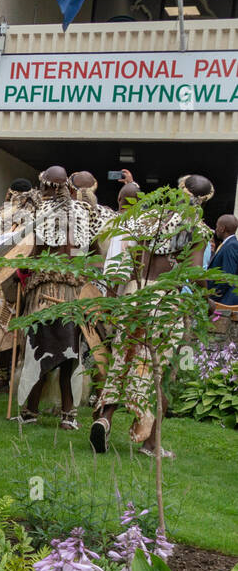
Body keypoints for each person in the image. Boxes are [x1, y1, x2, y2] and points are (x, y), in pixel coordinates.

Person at [91, 174, 214, 458]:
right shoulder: (195, 228)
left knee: (124, 358)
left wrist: (113, 298)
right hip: (163, 301)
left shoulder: (149, 218)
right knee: (160, 371)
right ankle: (150, 443)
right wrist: (206, 300)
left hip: (134, 295)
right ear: (205, 200)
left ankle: (105, 418)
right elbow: (194, 272)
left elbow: (125, 260)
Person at [14, 166, 93, 431]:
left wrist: (22, 272)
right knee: (70, 353)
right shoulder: (84, 212)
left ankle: (30, 411)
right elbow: (89, 250)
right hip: (71, 291)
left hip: (45, 288)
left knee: (39, 349)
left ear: (47, 186)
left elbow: (33, 251)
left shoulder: (38, 211)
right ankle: (68, 414)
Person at [208, 214, 238, 306]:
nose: (215, 229)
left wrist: (212, 297)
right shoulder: (227, 244)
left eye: (217, 226)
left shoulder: (231, 246)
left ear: (222, 228)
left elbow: (227, 276)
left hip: (224, 301)